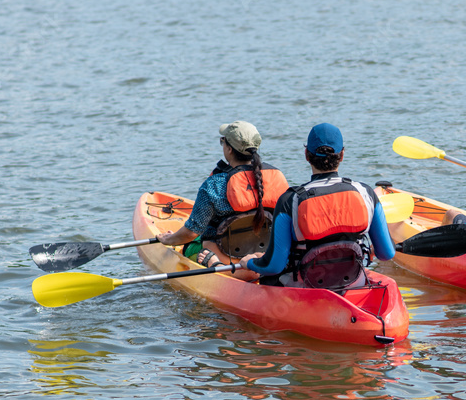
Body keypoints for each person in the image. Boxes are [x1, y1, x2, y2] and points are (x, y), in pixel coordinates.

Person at [240, 123, 396, 289]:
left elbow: (273, 266)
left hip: (304, 287)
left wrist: (250, 263)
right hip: (354, 282)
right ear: (342, 155)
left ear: (307, 155)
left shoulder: (290, 200)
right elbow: (386, 254)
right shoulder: (366, 193)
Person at [158, 121, 289, 278]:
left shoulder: (214, 185)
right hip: (263, 257)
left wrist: (169, 240)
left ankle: (212, 262)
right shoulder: (275, 178)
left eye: (223, 141)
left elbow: (191, 233)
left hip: (222, 262)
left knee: (190, 245)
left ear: (229, 149)